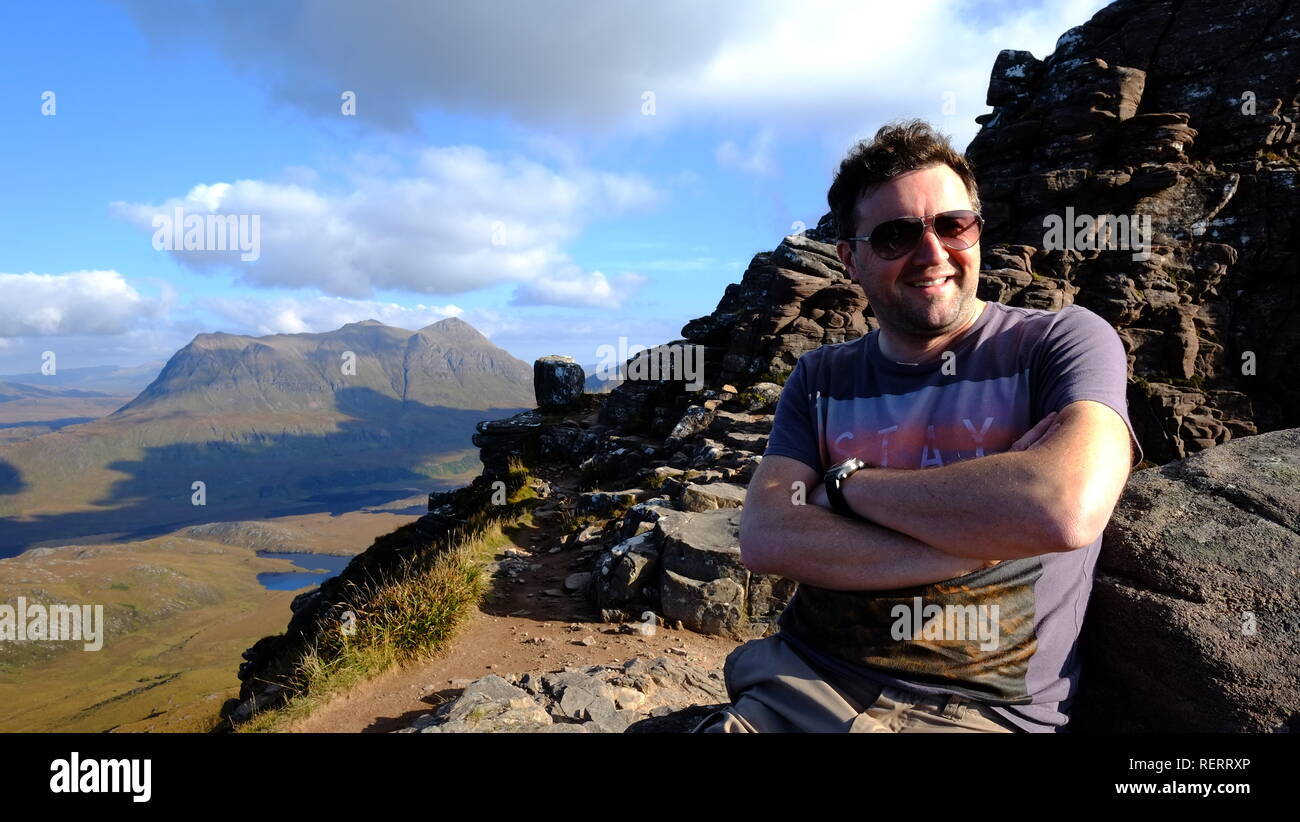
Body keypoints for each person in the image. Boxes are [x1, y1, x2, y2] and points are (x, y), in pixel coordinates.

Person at [693, 119, 1143, 733]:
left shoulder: (1061, 342)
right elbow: (769, 537)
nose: (933, 254)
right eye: (896, 236)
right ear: (850, 258)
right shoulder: (821, 376)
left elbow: (1062, 508)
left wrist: (848, 488)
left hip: (978, 710)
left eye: (954, 225)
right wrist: (987, 532)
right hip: (800, 682)